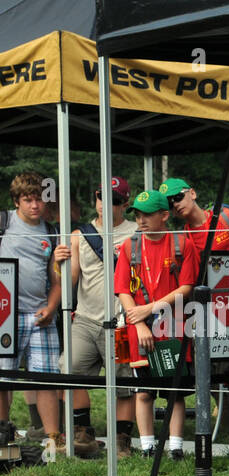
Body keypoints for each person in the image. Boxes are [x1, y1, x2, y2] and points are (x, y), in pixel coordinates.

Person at [51, 176, 138, 459]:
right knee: (69, 372)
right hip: (86, 320)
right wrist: (57, 263)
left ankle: (122, 439)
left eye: (113, 200)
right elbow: (70, 280)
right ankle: (83, 433)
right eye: (101, 197)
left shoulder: (137, 232)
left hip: (124, 321)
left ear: (124, 203)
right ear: (95, 200)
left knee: (125, 385)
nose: (105, 205)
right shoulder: (79, 235)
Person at [114, 188, 200, 459]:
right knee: (143, 392)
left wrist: (149, 309)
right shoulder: (130, 246)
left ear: (164, 215)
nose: (141, 220)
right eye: (137, 215)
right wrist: (138, 322)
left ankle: (175, 447)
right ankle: (148, 446)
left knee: (175, 392)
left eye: (148, 215)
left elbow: (187, 287)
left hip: (174, 328)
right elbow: (123, 290)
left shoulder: (182, 244)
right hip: (139, 330)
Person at [0, 171, 63, 448]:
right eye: (28, 200)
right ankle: (3, 433)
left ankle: (52, 439)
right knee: (3, 378)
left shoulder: (51, 231)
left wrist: (51, 308)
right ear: (17, 201)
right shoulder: (3, 223)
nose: (35, 205)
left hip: (40, 315)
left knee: (46, 378)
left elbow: (57, 279)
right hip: (5, 315)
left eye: (39, 199)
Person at [159, 177, 229, 256]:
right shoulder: (183, 241)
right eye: (170, 204)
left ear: (192, 194)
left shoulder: (227, 217)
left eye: (178, 197)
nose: (176, 204)